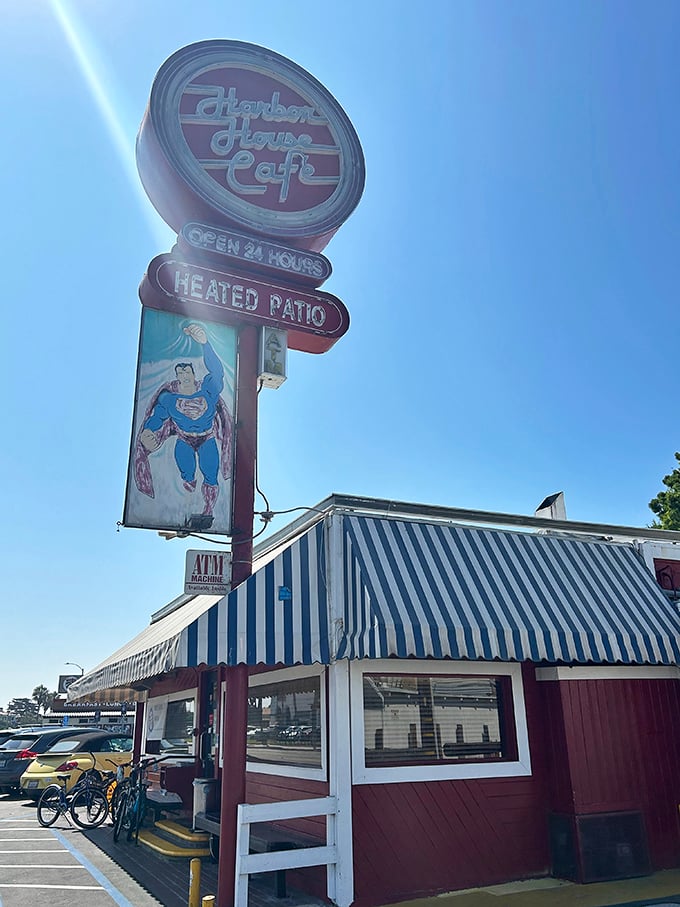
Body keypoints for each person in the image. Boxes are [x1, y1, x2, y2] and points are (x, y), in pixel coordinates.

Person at [133, 323, 232, 521]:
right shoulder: (169, 398)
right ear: (177, 378)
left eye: (188, 373)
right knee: (187, 475)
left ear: (194, 375)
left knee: (211, 475)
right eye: (181, 374)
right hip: (184, 440)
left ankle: (208, 511)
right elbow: (157, 418)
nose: (185, 376)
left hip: (207, 439)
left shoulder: (208, 390)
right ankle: (189, 481)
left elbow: (218, 373)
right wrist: (146, 432)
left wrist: (205, 344)